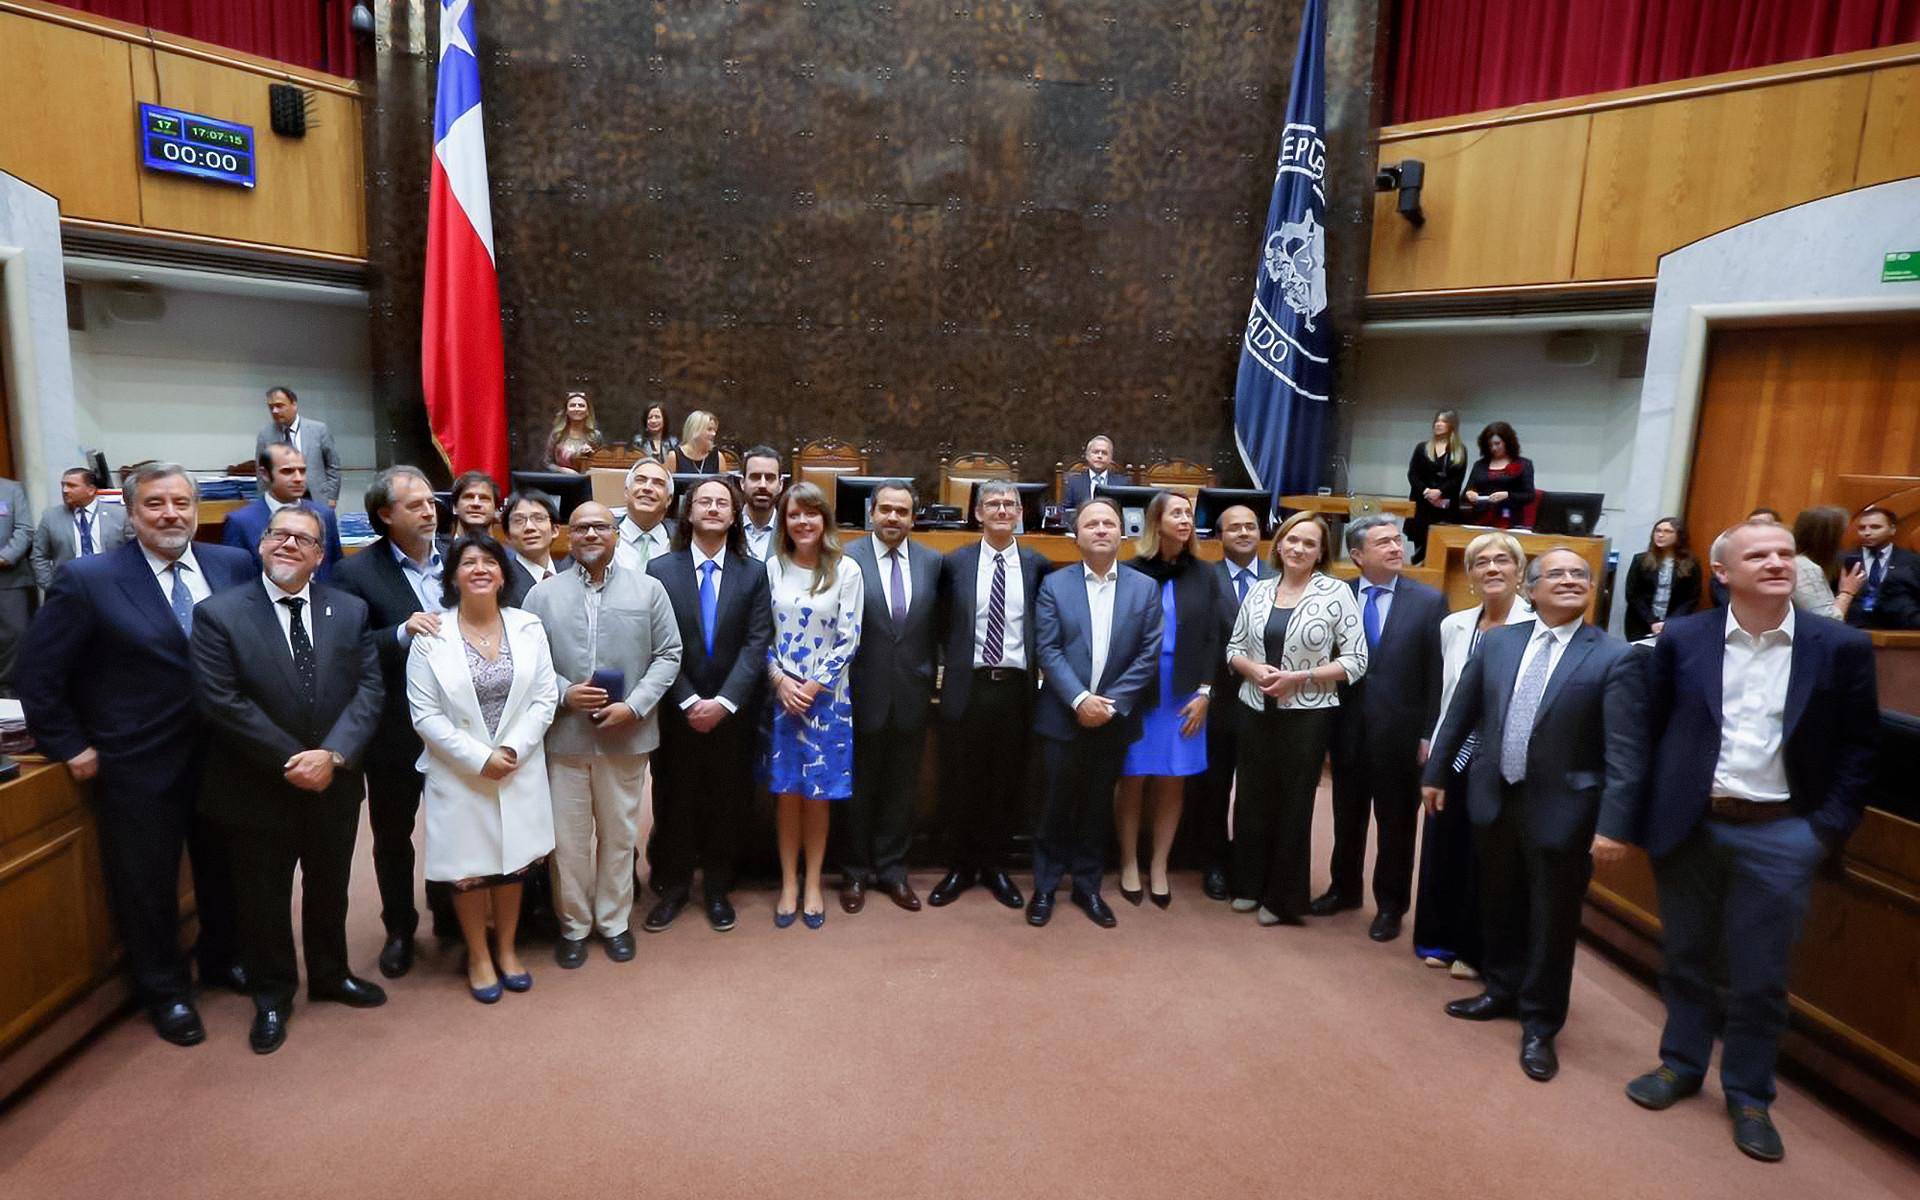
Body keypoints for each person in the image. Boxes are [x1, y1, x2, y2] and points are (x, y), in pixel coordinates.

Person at [1611, 518, 1878, 1162]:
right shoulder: (1682, 638)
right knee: (1686, 956)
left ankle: (1750, 1094)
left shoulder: (1839, 646)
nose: (1776, 561)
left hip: (1783, 832)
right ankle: (1679, 1064)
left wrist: (1822, 832)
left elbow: (1860, 750)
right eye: (1757, 554)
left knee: (1761, 977)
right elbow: (1657, 729)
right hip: (1694, 826)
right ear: (1723, 573)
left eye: (1785, 553)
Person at [18, 463, 254, 1047]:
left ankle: (222, 958)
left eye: (181, 502)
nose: (171, 513)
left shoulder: (233, 565)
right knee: (148, 884)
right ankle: (166, 991)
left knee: (225, 868)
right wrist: (68, 743)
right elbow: (38, 673)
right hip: (137, 762)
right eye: (155, 504)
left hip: (225, 755)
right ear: (131, 512)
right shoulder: (88, 578)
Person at [1421, 548, 1645, 1084]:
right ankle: (1501, 989)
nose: (1570, 581)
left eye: (1581, 575)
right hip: (1495, 795)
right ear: (1534, 587)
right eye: (1558, 574)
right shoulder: (1499, 642)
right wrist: (1434, 774)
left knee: (1551, 919)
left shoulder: (1616, 656)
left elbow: (1626, 751)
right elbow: (1462, 711)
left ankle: (1541, 1023)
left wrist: (1613, 824)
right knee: (1499, 900)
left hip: (1566, 808)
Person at [190, 504, 388, 1052]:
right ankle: (273, 995)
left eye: (304, 540)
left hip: (336, 782)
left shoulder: (348, 610)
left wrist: (335, 755)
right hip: (255, 787)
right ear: (261, 544)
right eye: (280, 535)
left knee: (330, 888)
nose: (289, 546)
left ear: (320, 555)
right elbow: (222, 703)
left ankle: (330, 975)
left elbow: (369, 691)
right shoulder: (219, 614)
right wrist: (295, 760)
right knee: (262, 898)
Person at [523, 503, 682, 966]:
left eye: (601, 526)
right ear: (567, 537)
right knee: (568, 841)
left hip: (625, 735)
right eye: (581, 527)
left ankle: (613, 922)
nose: (591, 532)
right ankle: (573, 926)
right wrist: (563, 692)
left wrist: (634, 705)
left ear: (616, 534)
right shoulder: (542, 596)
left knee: (618, 835)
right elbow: (527, 664)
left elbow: (669, 654)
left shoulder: (649, 590)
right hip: (564, 737)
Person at [407, 535, 559, 1002]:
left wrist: (511, 749)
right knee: (469, 868)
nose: (479, 569)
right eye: (468, 562)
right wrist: (479, 757)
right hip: (459, 773)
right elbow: (424, 714)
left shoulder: (528, 625)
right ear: (452, 575)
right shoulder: (431, 635)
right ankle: (477, 954)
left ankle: (508, 949)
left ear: (502, 574)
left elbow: (545, 696)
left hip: (518, 765)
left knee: (513, 864)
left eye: (489, 562)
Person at [332, 466, 457, 977]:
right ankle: (400, 927)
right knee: (393, 833)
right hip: (395, 729)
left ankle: (451, 911)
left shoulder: (459, 557)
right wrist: (400, 632)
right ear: (385, 514)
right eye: (416, 505)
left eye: (432, 501)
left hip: (462, 724)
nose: (430, 510)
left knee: (455, 824)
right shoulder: (355, 573)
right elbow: (349, 650)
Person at [644, 477, 773, 932]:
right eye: (705, 502)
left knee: (726, 800)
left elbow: (758, 642)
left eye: (723, 503)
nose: (714, 508)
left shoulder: (754, 571)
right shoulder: (660, 570)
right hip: (676, 709)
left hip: (732, 712)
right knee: (673, 798)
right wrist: (686, 699)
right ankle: (674, 886)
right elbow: (654, 643)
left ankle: (718, 888)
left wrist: (724, 701)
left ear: (733, 515)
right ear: (690, 512)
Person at [1226, 512, 1367, 926]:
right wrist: (1252, 669)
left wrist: (1300, 677)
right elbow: (1234, 646)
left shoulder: (1336, 592)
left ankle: (1283, 897)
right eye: (1292, 540)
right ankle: (1248, 884)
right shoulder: (1258, 589)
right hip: (1254, 707)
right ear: (1280, 544)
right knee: (1251, 798)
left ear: (1321, 552)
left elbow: (1356, 661)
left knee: (1293, 804)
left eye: (1309, 543)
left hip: (1307, 714)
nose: (1299, 548)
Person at [1028, 496, 1161, 928]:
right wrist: (1080, 699)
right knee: (1054, 806)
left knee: (1097, 806)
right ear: (1077, 536)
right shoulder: (1054, 584)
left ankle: (1087, 887)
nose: (1101, 529)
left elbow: (1148, 654)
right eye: (1091, 524)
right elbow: (1046, 648)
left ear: (1122, 534)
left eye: (1109, 523)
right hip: (1063, 716)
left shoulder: (1144, 588)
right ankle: (1045, 888)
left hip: (1114, 719)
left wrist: (1112, 703)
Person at [1321, 515, 1447, 941]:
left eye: (1397, 541)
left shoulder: (1429, 602)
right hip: (1346, 727)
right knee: (1346, 815)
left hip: (1401, 732)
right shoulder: (1337, 596)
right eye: (1383, 543)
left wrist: (1429, 733)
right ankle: (1344, 889)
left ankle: (1391, 905)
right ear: (1357, 556)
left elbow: (1436, 675)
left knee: (1396, 823)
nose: (1396, 548)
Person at [1413, 532, 1531, 975]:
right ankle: (1437, 938)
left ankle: (1473, 949)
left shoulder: (1534, 627)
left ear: (1519, 574)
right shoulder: (1454, 625)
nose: (1492, 569)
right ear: (1471, 575)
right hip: (1452, 752)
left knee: (1489, 853)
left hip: (1502, 757)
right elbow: (1444, 694)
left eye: (1503, 561)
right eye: (1482, 562)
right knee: (1444, 844)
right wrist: (1435, 751)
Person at [931, 480, 1051, 910]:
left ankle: (997, 866)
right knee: (962, 781)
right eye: (992, 504)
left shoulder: (1039, 565)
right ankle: (961, 867)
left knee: (1006, 781)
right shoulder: (955, 564)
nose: (1002, 510)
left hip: (1017, 689)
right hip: (968, 686)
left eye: (1009, 504)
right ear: (978, 513)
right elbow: (940, 623)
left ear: (1020, 512)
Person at [1113, 492, 1230, 908]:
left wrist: (1205, 692)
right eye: (1176, 513)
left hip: (1184, 690)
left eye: (1189, 514)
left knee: (1172, 778)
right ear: (1155, 521)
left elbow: (1216, 638)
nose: (1185, 520)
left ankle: (1159, 865)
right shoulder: (1129, 570)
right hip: (1139, 687)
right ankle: (1128, 862)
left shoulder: (1206, 573)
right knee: (1133, 777)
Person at [763, 482, 863, 927]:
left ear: (825, 519)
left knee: (817, 797)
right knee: (787, 794)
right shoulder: (772, 568)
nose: (803, 522)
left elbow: (849, 637)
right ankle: (788, 882)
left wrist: (814, 685)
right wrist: (781, 680)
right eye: (793, 515)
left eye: (811, 514)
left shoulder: (847, 570)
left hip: (828, 701)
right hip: (781, 698)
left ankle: (814, 883)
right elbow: (761, 635)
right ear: (784, 523)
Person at [842, 480, 942, 913]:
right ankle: (853, 873)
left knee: (902, 788)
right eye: (885, 509)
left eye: (902, 511)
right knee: (859, 789)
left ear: (912, 518)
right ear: (871, 512)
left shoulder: (934, 562)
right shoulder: (847, 558)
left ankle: (893, 871)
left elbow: (940, 626)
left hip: (912, 694)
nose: (893, 518)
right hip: (861, 691)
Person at [1189, 503, 1270, 901]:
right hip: (1219, 698)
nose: (1243, 533)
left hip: (1270, 702)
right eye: (1234, 527)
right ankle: (1214, 864)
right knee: (1215, 788)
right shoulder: (1205, 578)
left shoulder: (1281, 575)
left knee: (1258, 789)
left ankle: (1250, 863)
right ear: (1219, 536)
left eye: (1250, 526)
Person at [221, 445, 345, 583]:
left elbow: (336, 570)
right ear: (266, 474)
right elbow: (237, 579)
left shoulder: (324, 515)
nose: (298, 478)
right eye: (288, 471)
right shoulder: (241, 522)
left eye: (302, 471)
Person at [32, 466, 129, 590]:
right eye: (63, 485)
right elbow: (39, 555)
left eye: (72, 486)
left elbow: (135, 551)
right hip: (70, 587)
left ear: (91, 490)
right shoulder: (50, 517)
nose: (65, 490)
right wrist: (51, 586)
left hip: (112, 585)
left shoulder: (119, 515)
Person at [255, 386, 341, 506]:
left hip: (315, 497)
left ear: (294, 404)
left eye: (279, 406)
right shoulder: (265, 435)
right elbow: (261, 471)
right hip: (280, 500)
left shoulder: (319, 430)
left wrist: (332, 496)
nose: (274, 411)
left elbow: (333, 465)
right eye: (271, 407)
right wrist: (264, 500)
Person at [1623, 516, 1701, 641]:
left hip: (1674, 624)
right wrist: (1651, 621)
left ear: (1679, 536)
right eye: (1657, 531)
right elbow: (1633, 595)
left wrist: (1669, 623)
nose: (1660, 535)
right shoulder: (1640, 560)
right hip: (1640, 623)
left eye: (1667, 531)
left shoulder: (1691, 564)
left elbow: (1691, 598)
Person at [1406, 409, 1466, 563]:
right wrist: (1426, 491)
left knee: (1440, 556)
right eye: (1437, 421)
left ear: (1452, 426)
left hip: (1444, 509)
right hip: (1421, 506)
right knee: (1420, 553)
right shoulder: (1422, 448)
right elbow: (1413, 474)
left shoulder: (1459, 451)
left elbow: (1457, 480)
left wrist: (1439, 492)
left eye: (1444, 421)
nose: (1439, 424)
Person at [1846, 505, 1920, 630]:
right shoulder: (1844, 560)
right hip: (1852, 630)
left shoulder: (1912, 561)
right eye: (1862, 528)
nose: (1867, 533)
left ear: (1892, 529)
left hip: (1900, 633)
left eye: (1875, 527)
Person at [1787, 505, 1863, 621]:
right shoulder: (1804, 567)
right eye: (1849, 531)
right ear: (1831, 537)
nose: (1858, 535)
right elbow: (1827, 620)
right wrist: (1847, 592)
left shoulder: (1804, 563)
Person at [501, 489, 571, 606]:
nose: (529, 527)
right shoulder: (503, 581)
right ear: (508, 535)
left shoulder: (571, 574)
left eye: (538, 518)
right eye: (518, 521)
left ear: (555, 529)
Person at [1461, 422, 1535, 530]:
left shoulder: (1523, 464)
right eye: (1490, 445)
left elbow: (1529, 495)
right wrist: (1469, 493)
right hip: (1481, 520)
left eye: (1497, 443)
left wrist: (1507, 495)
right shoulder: (1480, 465)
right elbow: (1467, 491)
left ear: (1507, 442)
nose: (1493, 448)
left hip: (1510, 519)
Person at [1708, 508, 1782, 609]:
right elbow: (1719, 586)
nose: (1757, 529)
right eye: (1752, 524)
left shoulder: (1785, 559)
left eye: (1763, 524)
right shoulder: (1730, 546)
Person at [0, 473, 32, 691]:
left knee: (15, 636)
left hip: (9, 577)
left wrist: (5, 557)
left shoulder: (11, 489)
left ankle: (8, 688)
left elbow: (24, 529)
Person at [616, 457, 676, 568]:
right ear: (626, 492)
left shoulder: (683, 541)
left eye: (658, 483)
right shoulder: (605, 536)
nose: (648, 488)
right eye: (640, 480)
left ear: (668, 500)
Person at [1061, 433, 1131, 512]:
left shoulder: (1123, 483)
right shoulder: (1074, 483)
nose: (1100, 456)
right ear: (1087, 456)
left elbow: (1127, 512)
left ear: (1111, 458)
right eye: (1096, 452)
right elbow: (1065, 512)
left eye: (1104, 453)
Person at [740, 445, 783, 561]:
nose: (762, 485)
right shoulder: (727, 526)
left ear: (780, 484)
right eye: (755, 477)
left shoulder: (790, 530)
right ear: (742, 483)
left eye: (770, 478)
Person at [544, 390, 603, 472]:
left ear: (588, 412)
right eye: (572, 405)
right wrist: (563, 470)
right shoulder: (557, 435)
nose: (576, 408)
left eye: (581, 406)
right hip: (560, 481)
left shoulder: (595, 436)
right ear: (567, 411)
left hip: (586, 482)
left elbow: (601, 464)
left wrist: (589, 455)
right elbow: (547, 463)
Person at [665, 410, 722, 475]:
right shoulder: (674, 456)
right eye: (709, 429)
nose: (714, 434)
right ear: (695, 430)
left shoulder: (718, 457)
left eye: (714, 430)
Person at [450, 470, 502, 539]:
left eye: (484, 498)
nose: (476, 503)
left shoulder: (506, 550)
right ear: (455, 507)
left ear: (496, 510)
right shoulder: (434, 549)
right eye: (469, 497)